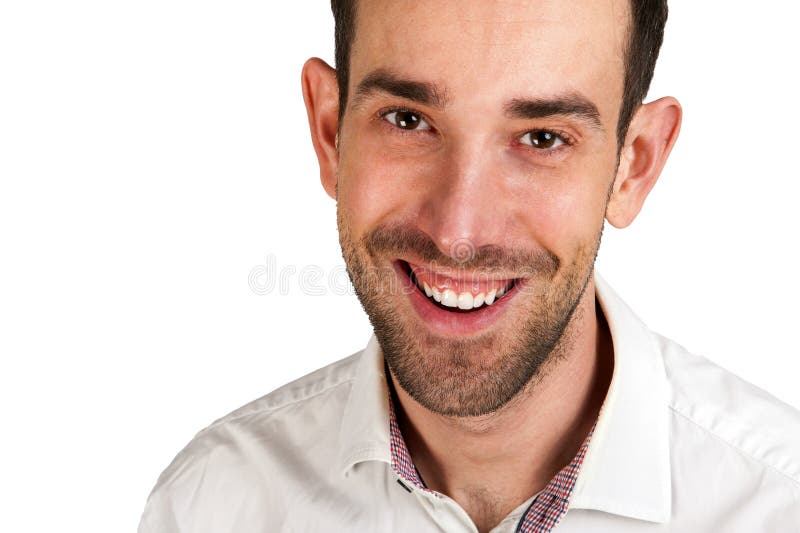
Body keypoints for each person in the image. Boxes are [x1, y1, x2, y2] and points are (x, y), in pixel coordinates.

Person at [138, 1, 800, 531]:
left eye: (542, 137)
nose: (458, 232)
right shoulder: (212, 507)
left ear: (636, 163)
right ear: (330, 130)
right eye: (407, 119)